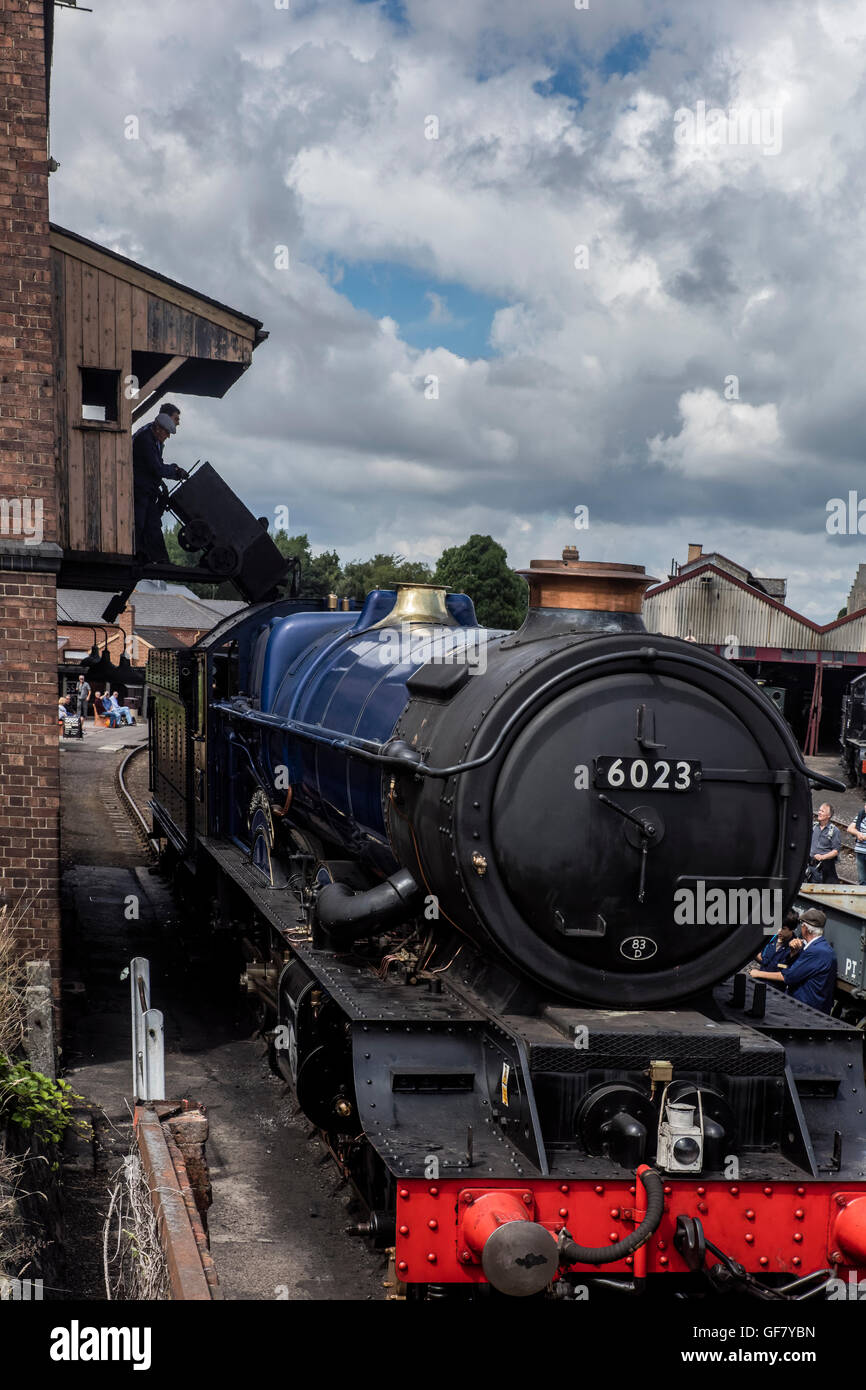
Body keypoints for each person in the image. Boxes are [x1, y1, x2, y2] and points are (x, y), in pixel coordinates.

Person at [750, 908, 836, 1013]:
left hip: (807, 1009)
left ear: (805, 928)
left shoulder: (816, 951)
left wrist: (758, 973)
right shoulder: (822, 948)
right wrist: (793, 954)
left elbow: (789, 976)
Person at [132, 402, 188, 564]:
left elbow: (157, 464)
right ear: (159, 428)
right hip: (139, 489)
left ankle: (158, 558)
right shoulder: (146, 440)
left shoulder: (153, 438)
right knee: (141, 523)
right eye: (166, 432)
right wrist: (176, 472)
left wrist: (172, 470)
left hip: (146, 489)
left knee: (153, 523)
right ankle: (141, 556)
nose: (168, 436)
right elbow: (156, 467)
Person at [807, 803, 841, 883]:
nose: (819, 812)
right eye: (819, 810)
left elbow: (836, 851)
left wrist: (823, 857)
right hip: (810, 865)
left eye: (822, 811)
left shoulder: (834, 830)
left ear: (828, 815)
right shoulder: (813, 827)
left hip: (824, 868)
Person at [847, 800, 866, 885]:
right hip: (860, 852)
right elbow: (850, 828)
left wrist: (864, 836)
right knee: (862, 881)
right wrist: (858, 833)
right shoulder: (861, 815)